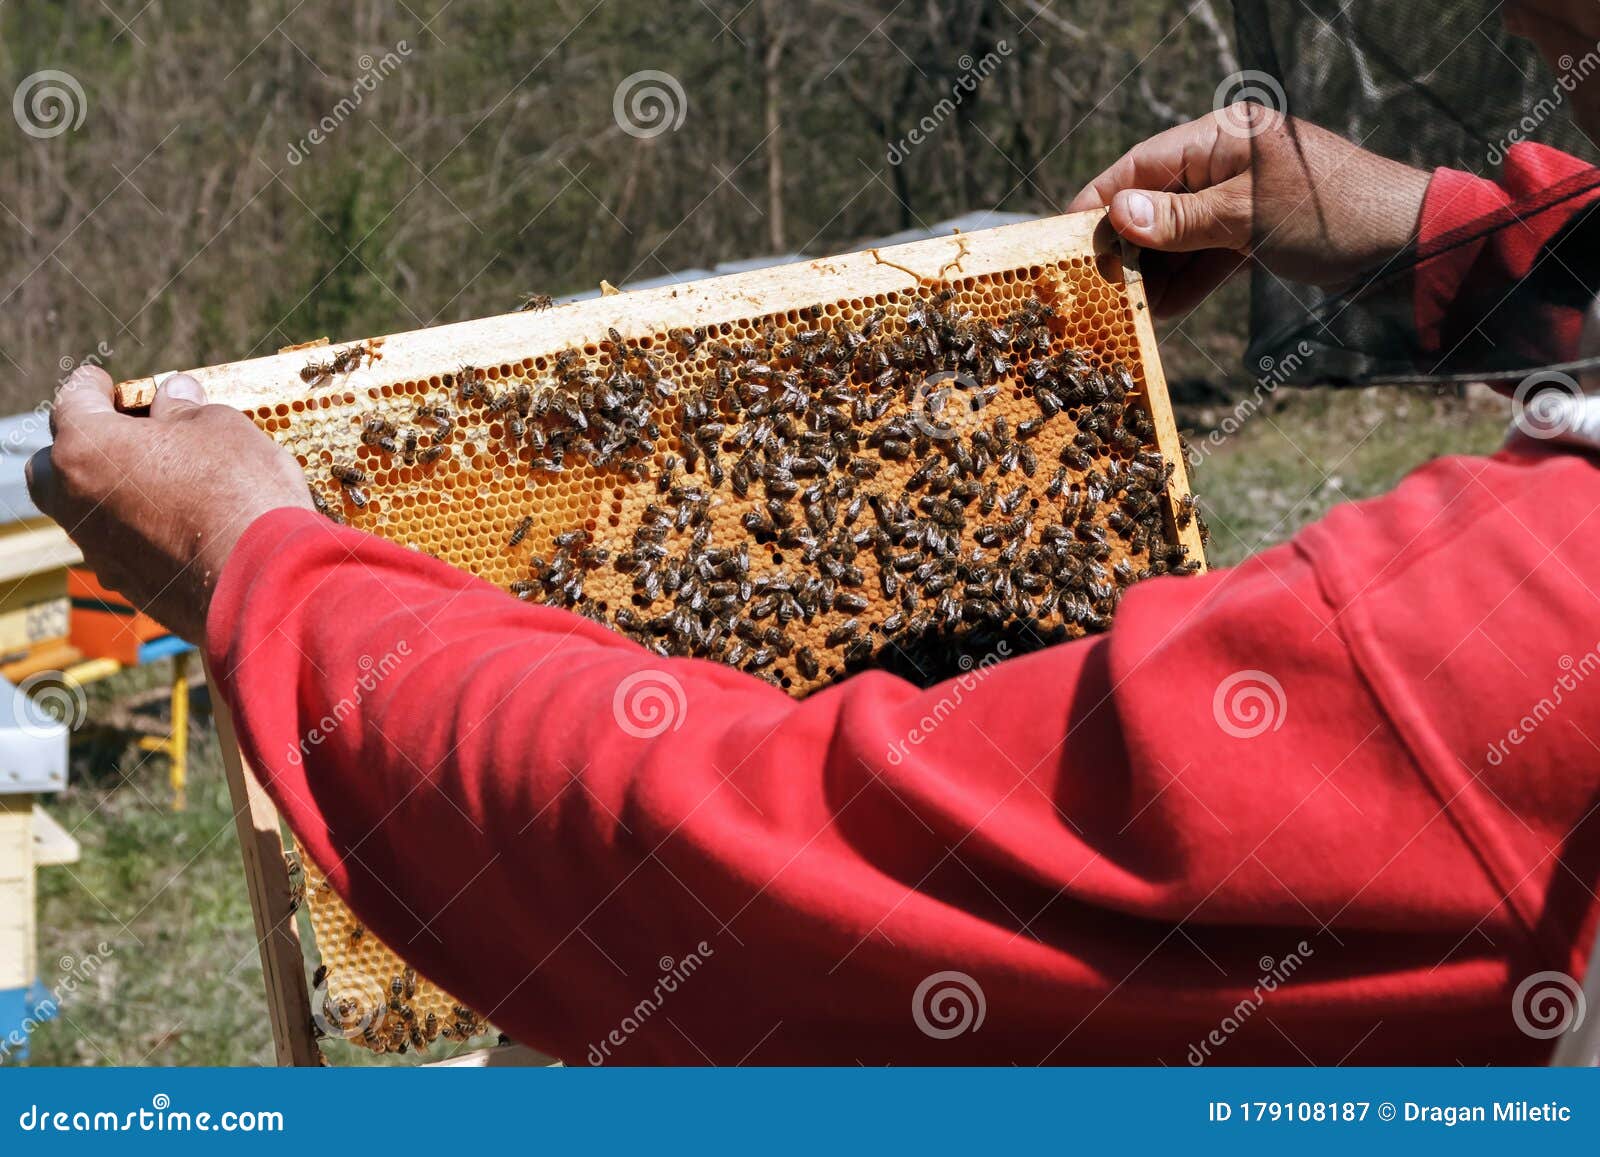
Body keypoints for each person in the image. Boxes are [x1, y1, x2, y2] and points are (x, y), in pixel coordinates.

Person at [28, 1, 1600, 1065]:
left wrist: (273, 579)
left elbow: (774, 871)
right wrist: (1449, 236)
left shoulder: (1497, 636)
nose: (1524, 23)